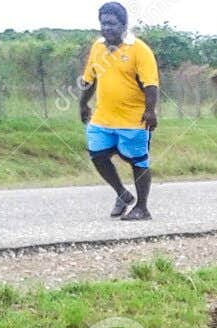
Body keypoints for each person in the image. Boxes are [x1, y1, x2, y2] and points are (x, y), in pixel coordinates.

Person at [79, 3, 159, 221]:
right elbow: (89, 79)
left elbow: (150, 84)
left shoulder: (138, 49)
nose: (107, 28)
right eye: (103, 23)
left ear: (124, 24)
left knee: (137, 161)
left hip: (133, 119)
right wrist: (82, 104)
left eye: (112, 23)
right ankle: (122, 194)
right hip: (103, 117)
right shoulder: (98, 48)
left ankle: (142, 207)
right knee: (97, 155)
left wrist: (150, 111)